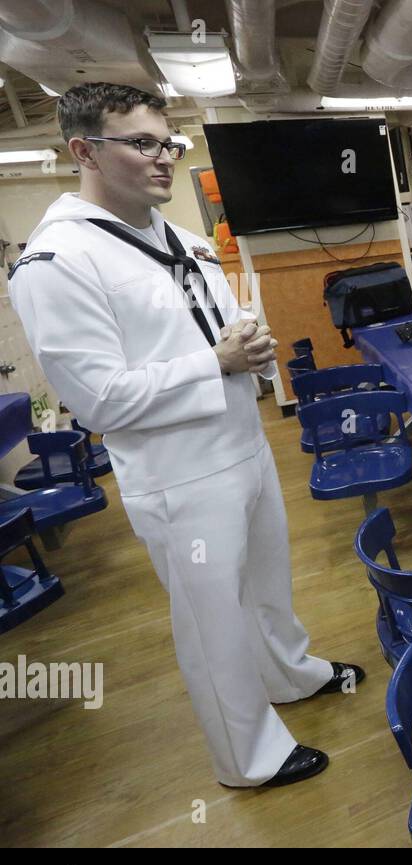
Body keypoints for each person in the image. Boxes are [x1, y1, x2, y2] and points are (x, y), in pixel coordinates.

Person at [9, 82, 363, 788]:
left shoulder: (179, 238)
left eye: (166, 142)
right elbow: (98, 400)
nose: (164, 157)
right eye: (141, 143)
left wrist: (247, 343)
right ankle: (247, 757)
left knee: (266, 586)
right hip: (179, 472)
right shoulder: (60, 262)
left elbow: (222, 327)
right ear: (85, 150)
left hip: (243, 444)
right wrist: (216, 360)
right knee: (211, 621)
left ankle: (290, 675)